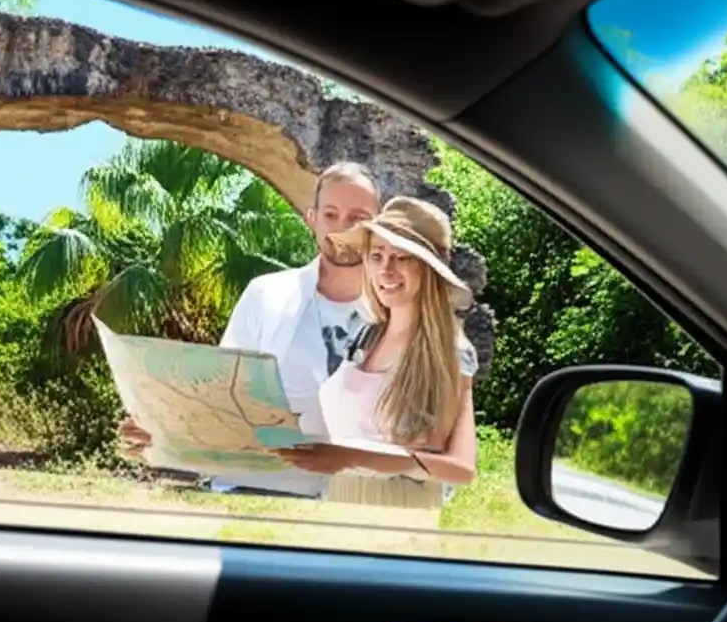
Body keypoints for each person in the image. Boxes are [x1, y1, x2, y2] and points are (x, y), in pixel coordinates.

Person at [119, 161, 382, 497]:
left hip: (357, 508)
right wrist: (161, 430)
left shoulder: (401, 313)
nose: (342, 229)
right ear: (311, 219)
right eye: (331, 215)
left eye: (357, 218)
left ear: (378, 225)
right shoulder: (266, 294)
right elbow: (223, 403)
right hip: (251, 494)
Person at [275, 196, 479, 508]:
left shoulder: (448, 352)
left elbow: (460, 467)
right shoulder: (364, 335)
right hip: (337, 505)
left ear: (428, 269)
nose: (386, 269)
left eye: (402, 258)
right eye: (377, 255)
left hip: (400, 515)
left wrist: (349, 457)